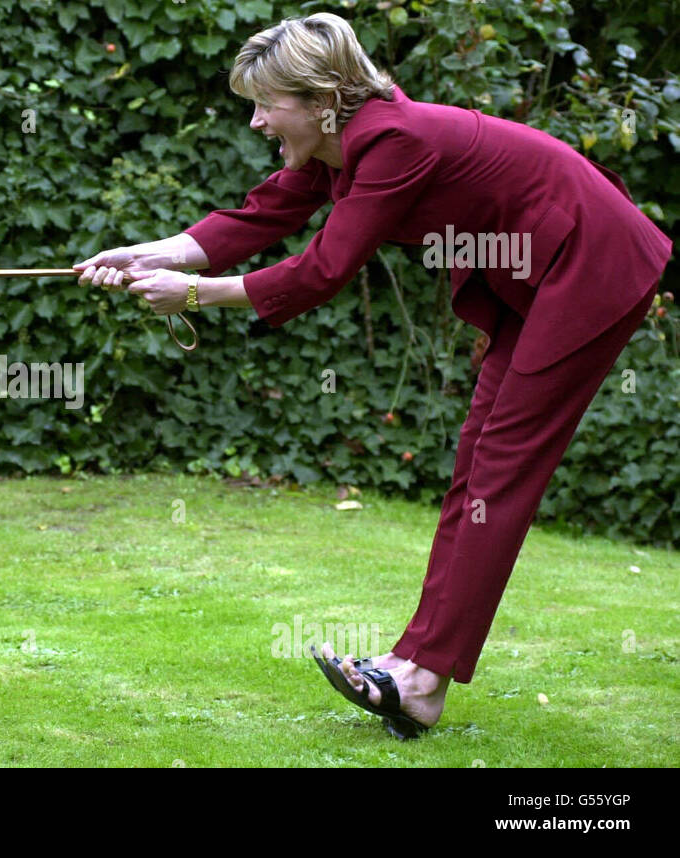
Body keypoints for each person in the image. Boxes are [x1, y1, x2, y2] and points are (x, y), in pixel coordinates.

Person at [73, 12, 671, 739]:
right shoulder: (338, 145)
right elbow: (261, 214)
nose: (258, 121)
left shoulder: (393, 141)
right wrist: (150, 256)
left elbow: (324, 269)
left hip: (591, 265)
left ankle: (420, 676)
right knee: (476, 466)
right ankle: (418, 674)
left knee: (500, 470)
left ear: (322, 100)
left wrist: (194, 294)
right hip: (537, 271)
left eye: (267, 104)